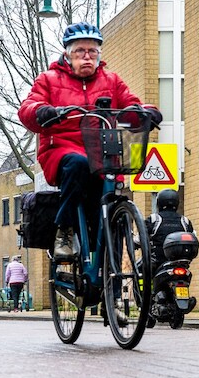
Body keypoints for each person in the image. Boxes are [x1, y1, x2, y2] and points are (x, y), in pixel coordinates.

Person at [18, 22, 162, 259]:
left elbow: (130, 104)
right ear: (67, 54)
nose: (87, 56)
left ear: (99, 55)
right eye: (80, 51)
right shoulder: (49, 79)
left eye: (92, 51)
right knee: (79, 164)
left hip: (102, 150)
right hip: (62, 148)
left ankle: (110, 268)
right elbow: (28, 108)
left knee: (109, 197)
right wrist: (42, 111)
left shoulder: (111, 81)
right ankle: (64, 230)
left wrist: (147, 112)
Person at [144, 188, 196, 272]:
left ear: (159, 202)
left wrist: (134, 242)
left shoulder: (153, 219)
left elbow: (141, 237)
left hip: (157, 262)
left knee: (139, 270)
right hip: (180, 264)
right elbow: (193, 237)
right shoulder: (185, 221)